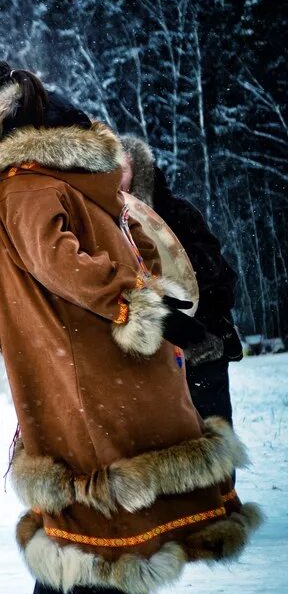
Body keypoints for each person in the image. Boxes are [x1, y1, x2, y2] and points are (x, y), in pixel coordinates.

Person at [0, 58, 260, 594]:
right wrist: (148, 304)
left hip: (82, 364)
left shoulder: (24, 185)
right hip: (74, 360)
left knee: (94, 486)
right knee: (65, 485)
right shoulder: (64, 175)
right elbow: (129, 248)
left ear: (4, 112)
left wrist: (137, 307)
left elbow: (65, 262)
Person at [119, 136, 243, 426]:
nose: (114, 177)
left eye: (120, 168)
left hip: (201, 350)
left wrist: (196, 323)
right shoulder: (110, 226)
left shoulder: (178, 213)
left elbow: (220, 279)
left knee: (213, 445)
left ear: (139, 170)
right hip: (152, 359)